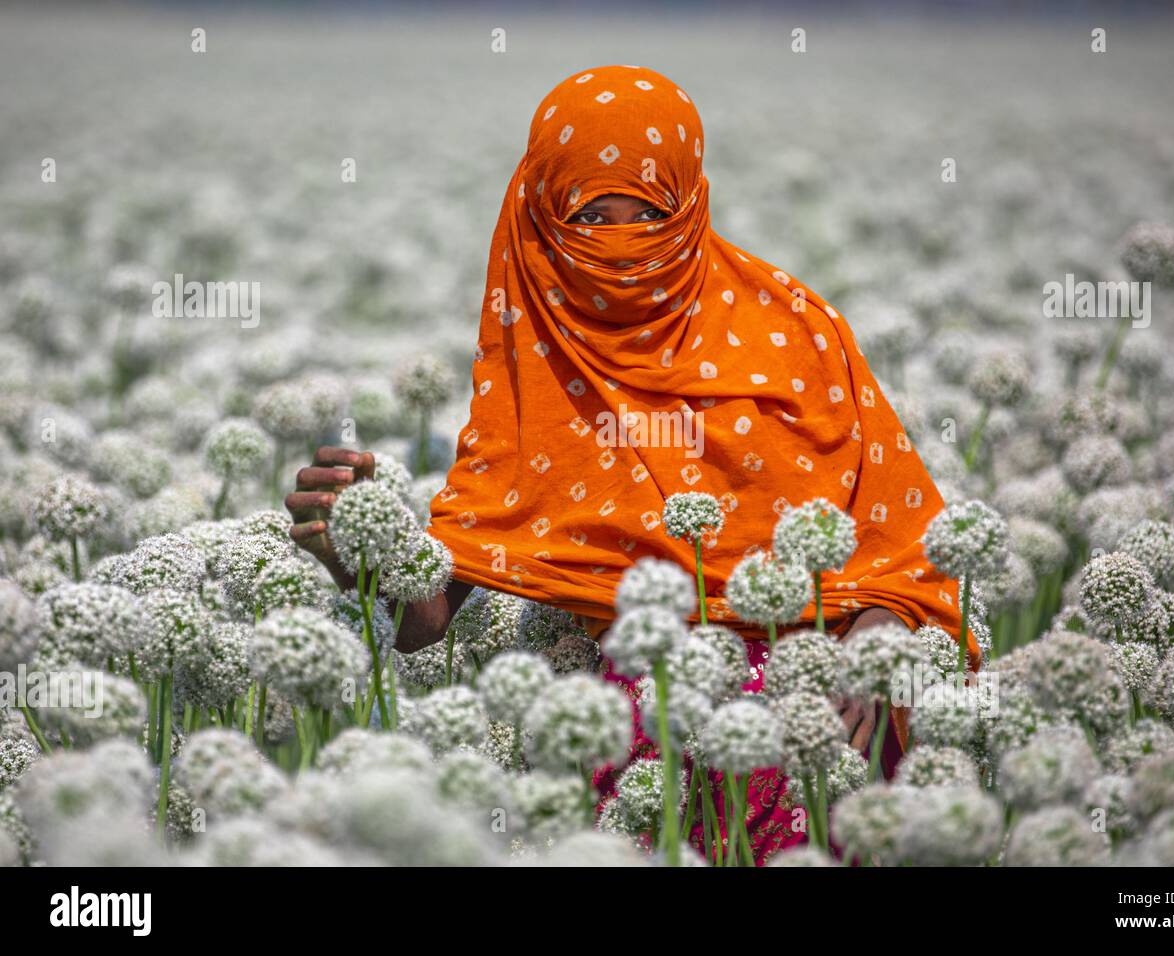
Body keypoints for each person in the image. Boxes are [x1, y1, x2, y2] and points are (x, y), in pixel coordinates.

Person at [287, 65, 974, 861]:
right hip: (618, 784)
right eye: (587, 217)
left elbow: (910, 552)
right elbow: (429, 620)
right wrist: (364, 550)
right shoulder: (532, 376)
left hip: (817, 760)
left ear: (687, 203)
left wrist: (877, 636)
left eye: (647, 214)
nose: (618, 247)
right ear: (539, 221)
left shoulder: (799, 333)